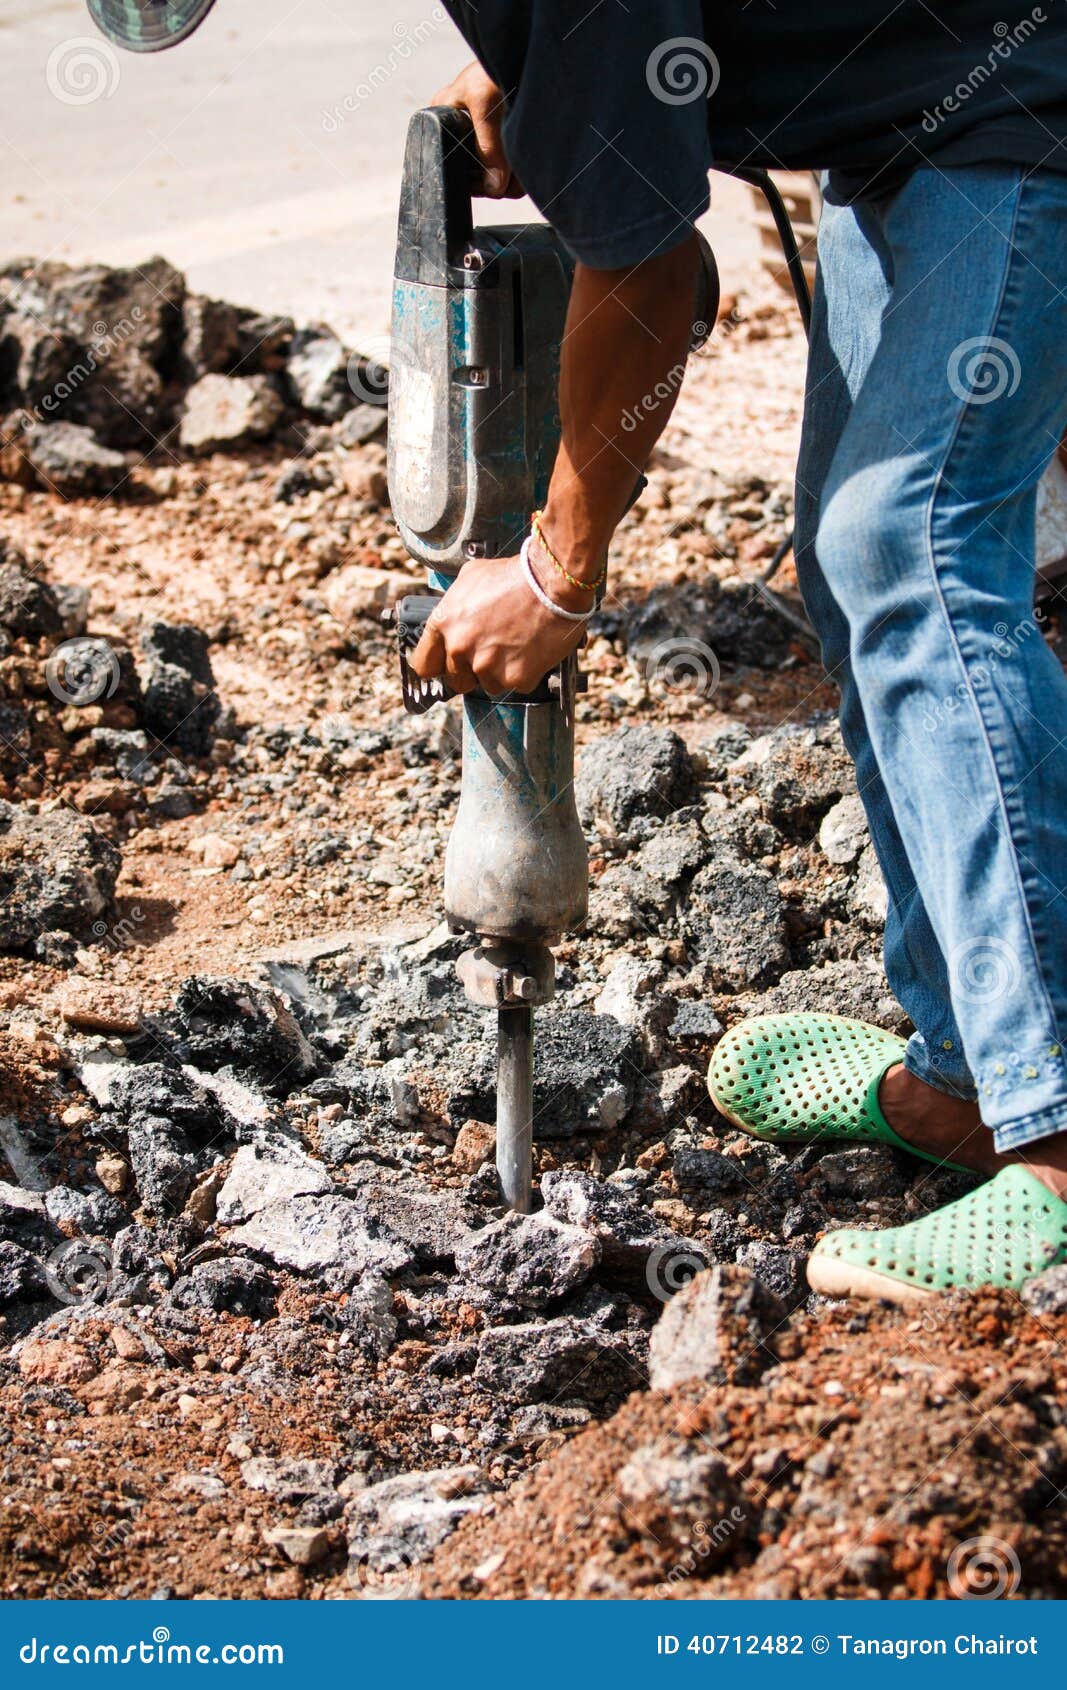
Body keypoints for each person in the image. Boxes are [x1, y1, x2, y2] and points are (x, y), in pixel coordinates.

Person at [413, 3, 1067, 1303]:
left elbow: (655, 283)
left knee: (913, 548)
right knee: (852, 556)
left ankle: (1055, 1141)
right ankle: (969, 1081)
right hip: (904, 116)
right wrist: (552, 90)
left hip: (1018, 94)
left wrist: (559, 571)